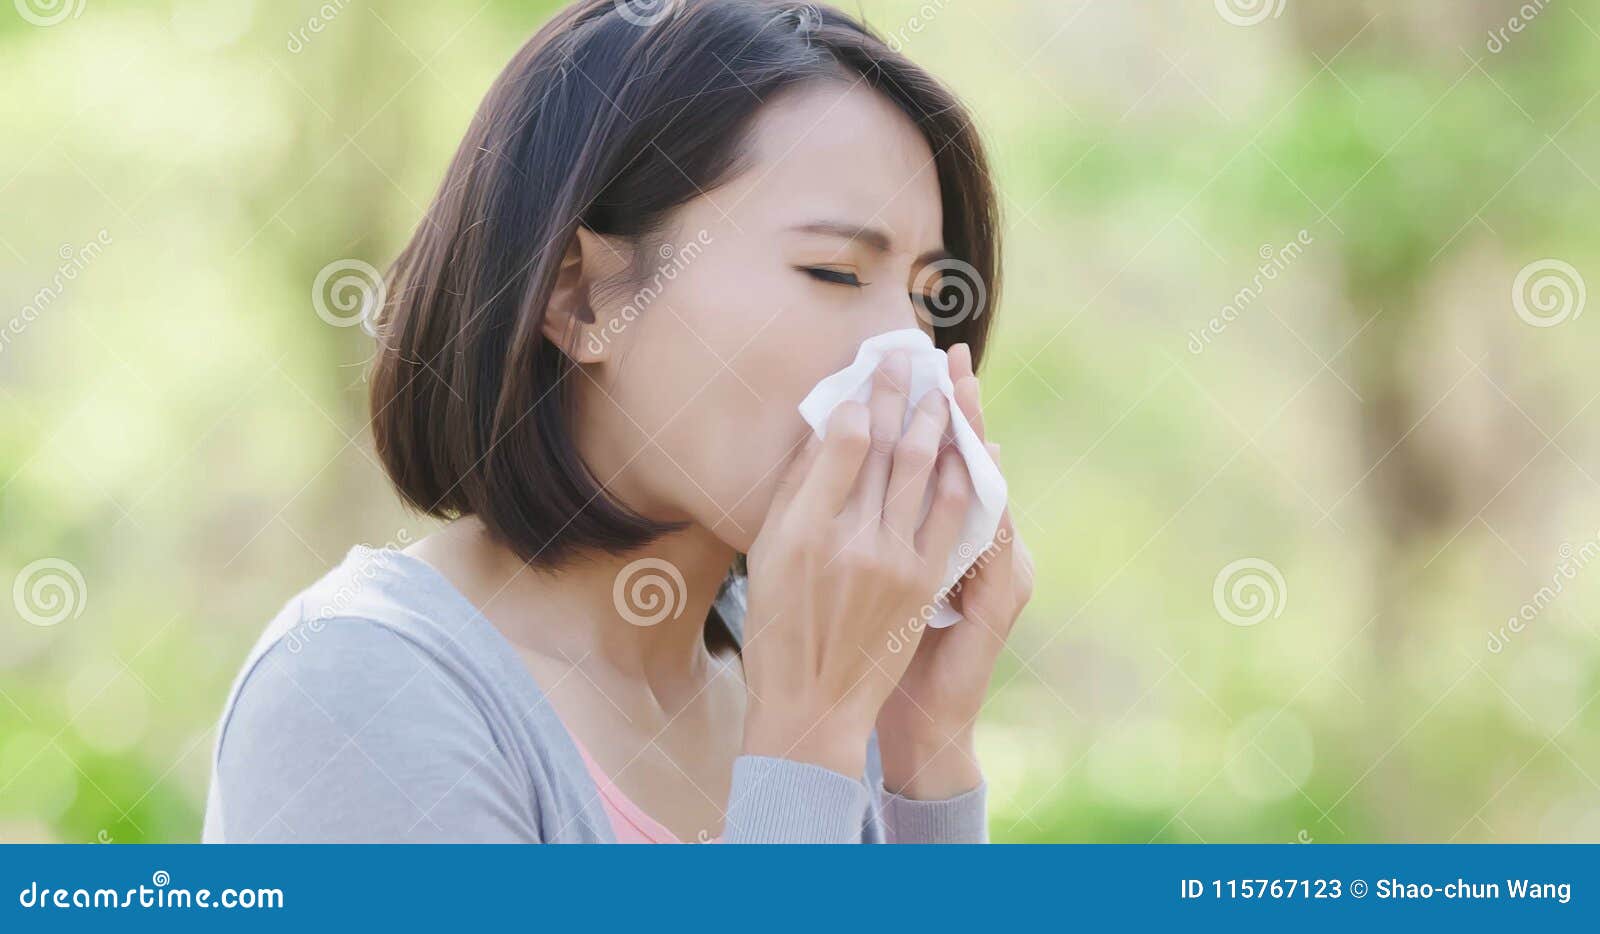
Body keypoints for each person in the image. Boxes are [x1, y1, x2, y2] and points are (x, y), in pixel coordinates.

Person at [203, 0, 1033, 844]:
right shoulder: (361, 689)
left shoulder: (810, 669)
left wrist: (925, 751)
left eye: (931, 299)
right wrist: (805, 744)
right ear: (580, 293)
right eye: (833, 271)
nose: (906, 351)